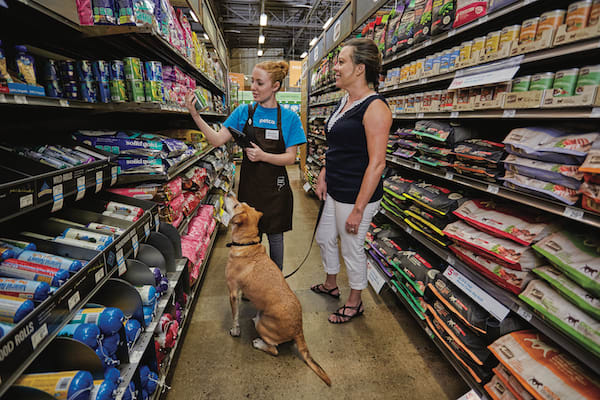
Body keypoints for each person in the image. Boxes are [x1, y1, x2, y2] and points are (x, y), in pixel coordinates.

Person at [185, 61, 306, 270]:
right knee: (250, 237)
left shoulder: (289, 118)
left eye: (260, 83)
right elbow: (216, 140)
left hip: (277, 191)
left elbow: (290, 158)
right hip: (251, 189)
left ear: (275, 86)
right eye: (253, 82)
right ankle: (252, 282)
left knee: (276, 237)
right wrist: (195, 115)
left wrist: (263, 155)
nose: (254, 88)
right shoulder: (243, 113)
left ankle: (275, 281)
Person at [310, 38, 392, 324]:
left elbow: (377, 163)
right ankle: (331, 284)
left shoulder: (376, 108)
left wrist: (359, 209)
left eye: (341, 62)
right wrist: (323, 172)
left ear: (359, 69)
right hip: (336, 187)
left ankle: (355, 302)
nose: (335, 67)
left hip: (357, 195)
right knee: (324, 238)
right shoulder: (345, 100)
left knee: (352, 247)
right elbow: (336, 147)